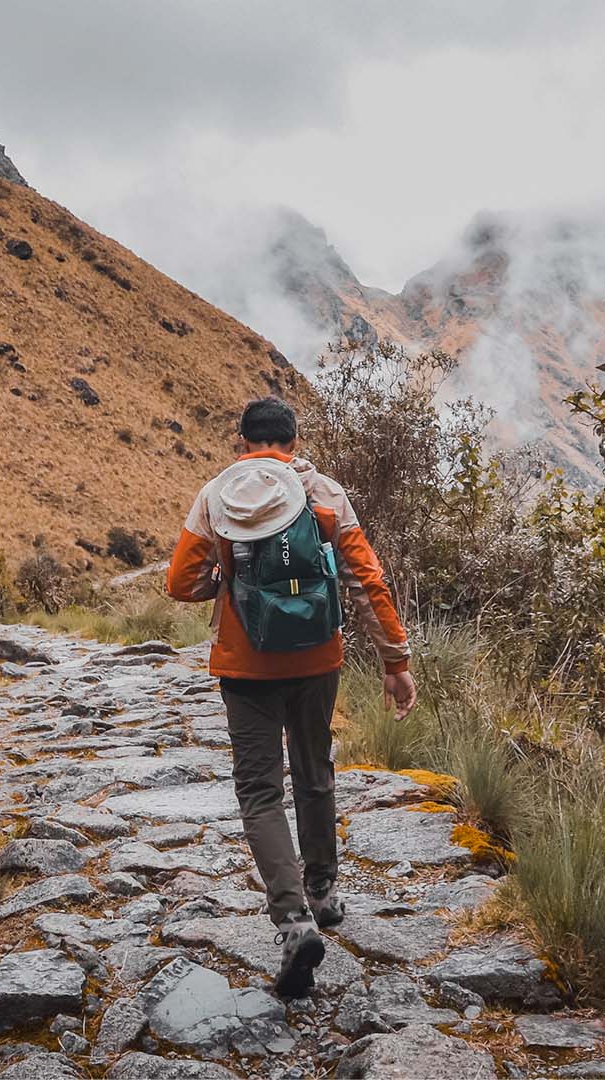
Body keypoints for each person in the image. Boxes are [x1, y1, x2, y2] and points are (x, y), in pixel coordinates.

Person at [163, 395, 415, 998]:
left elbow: (181, 584)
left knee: (259, 790)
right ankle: (325, 893)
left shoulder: (216, 496)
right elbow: (365, 580)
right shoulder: (325, 493)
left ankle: (294, 919)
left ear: (242, 441)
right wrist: (394, 661)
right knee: (314, 770)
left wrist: (228, 579)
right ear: (293, 440)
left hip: (246, 665)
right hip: (316, 659)